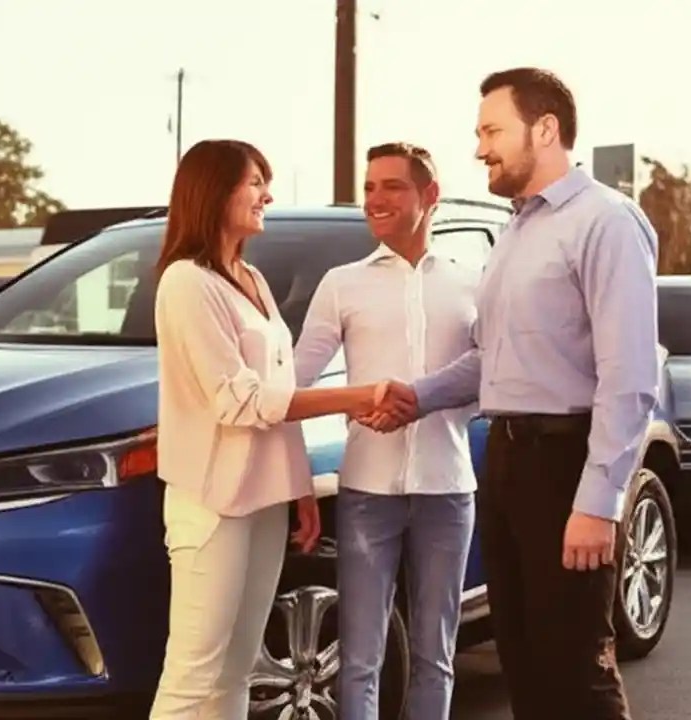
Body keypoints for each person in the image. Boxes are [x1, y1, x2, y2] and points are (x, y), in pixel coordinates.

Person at [402, 68, 660, 719]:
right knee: (523, 663)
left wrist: (598, 501)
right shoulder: (517, 229)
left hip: (565, 465)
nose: (480, 148)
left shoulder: (606, 222)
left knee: (576, 669)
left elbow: (629, 375)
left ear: (544, 129)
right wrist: (416, 396)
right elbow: (494, 356)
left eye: (492, 131)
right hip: (509, 461)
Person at [149, 138, 414, 720]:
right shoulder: (186, 283)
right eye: (255, 183)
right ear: (214, 191)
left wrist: (300, 489)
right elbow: (240, 401)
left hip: (264, 500)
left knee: (237, 670)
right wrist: (359, 394)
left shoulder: (251, 279)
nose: (266, 195)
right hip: (212, 504)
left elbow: (280, 384)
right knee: (195, 673)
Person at [292, 142, 479, 720]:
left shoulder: (472, 284)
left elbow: (493, 371)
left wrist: (423, 401)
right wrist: (300, 479)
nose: (375, 199)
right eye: (369, 187)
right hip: (366, 491)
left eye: (392, 186)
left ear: (430, 195)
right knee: (360, 658)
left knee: (435, 656)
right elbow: (292, 386)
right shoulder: (341, 284)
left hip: (448, 489)